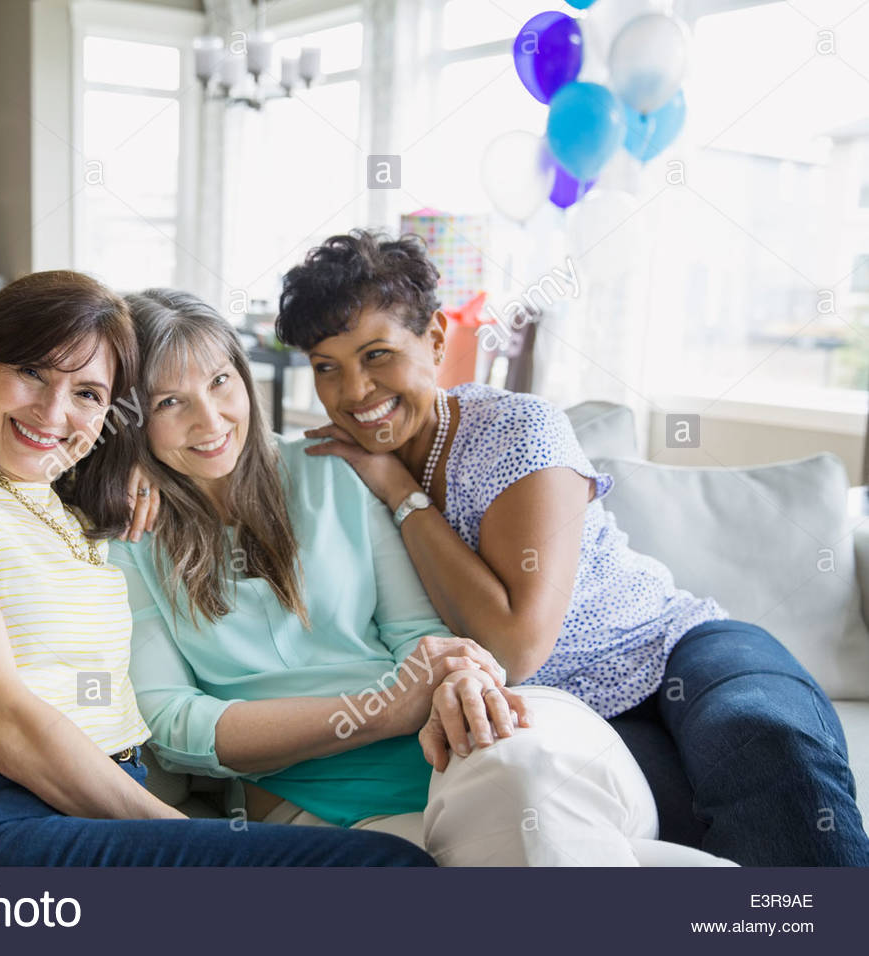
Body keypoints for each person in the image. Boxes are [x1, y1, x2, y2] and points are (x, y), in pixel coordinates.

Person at [272, 229, 869, 866]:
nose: (356, 389)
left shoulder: (514, 430)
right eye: (327, 367)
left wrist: (401, 492)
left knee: (763, 738)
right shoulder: (334, 474)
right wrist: (146, 472)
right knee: (653, 817)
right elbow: (218, 469)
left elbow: (518, 646)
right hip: (574, 720)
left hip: (675, 649)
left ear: (437, 339)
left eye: (377, 354)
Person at [112, 288, 732, 866]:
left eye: (221, 381)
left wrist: (456, 675)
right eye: (170, 401)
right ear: (131, 418)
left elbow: (417, 629)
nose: (211, 419)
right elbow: (172, 724)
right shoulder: (126, 542)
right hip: (345, 804)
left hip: (490, 741)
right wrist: (379, 711)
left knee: (520, 778)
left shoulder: (332, 470)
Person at [0, 270, 433, 867]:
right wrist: (189, 837)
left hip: (97, 801)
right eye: (31, 372)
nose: (52, 411)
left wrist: (132, 467)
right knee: (381, 869)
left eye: (88, 394)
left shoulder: (82, 516)